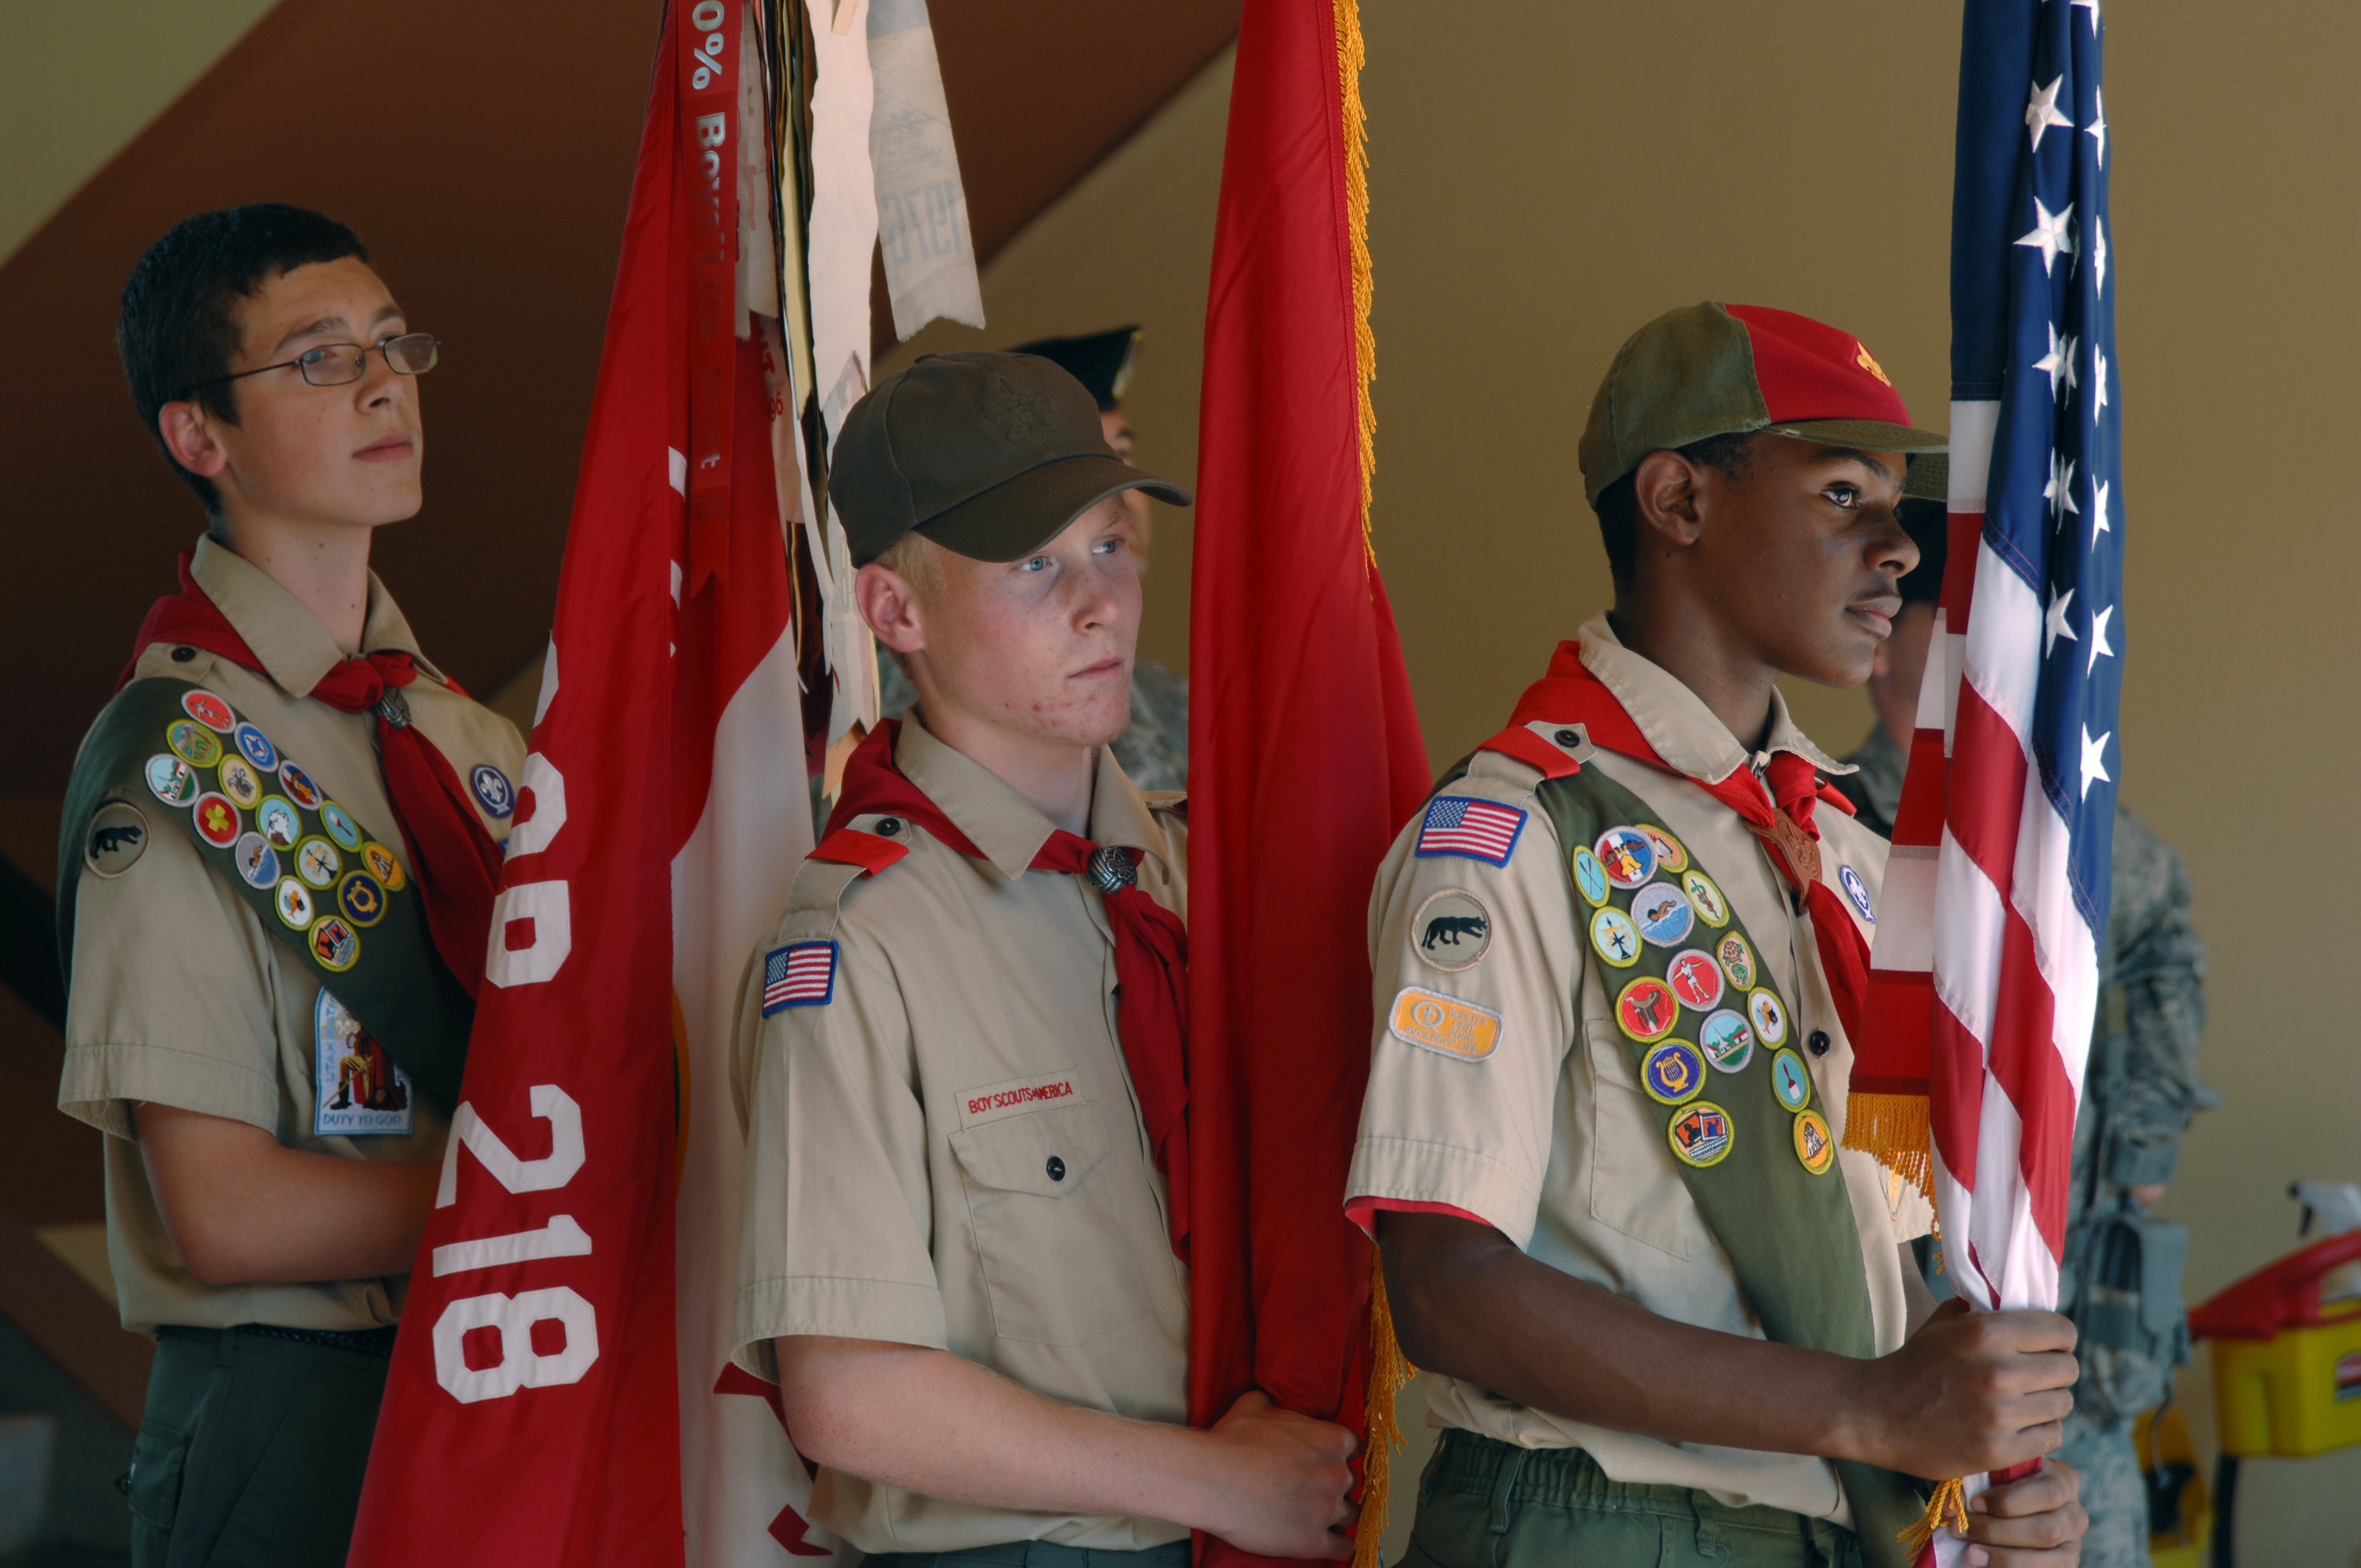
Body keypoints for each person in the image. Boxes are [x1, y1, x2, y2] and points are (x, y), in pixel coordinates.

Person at [1347, 302, 2090, 1568]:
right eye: (1843, 493)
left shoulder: (1847, 851)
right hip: (1588, 1521)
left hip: (1822, 1521)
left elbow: (1869, 1244)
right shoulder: (1517, 832)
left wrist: (1971, 1471)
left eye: (1898, 507)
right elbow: (1447, 1288)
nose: (1899, 549)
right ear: (1679, 500)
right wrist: (1868, 1410)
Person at [730, 350, 1358, 1563]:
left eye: (1109, 545)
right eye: (1033, 565)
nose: (1100, 604)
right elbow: (851, 1394)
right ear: (895, 612)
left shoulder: (1186, 879)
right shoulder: (862, 943)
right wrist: (1215, 1484)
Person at [54, 204, 525, 1566]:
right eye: (318, 360)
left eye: (394, 345)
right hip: (288, 1409)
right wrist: (552, 1182)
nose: (386, 384)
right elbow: (229, 1211)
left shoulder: (468, 739)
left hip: (485, 1364)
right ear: (200, 435)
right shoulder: (172, 759)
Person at [1840, 509, 2214, 1568]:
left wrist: (2139, 1156)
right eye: (1938, 623)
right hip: (1889, 1336)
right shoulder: (1831, 814)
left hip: (2064, 1328)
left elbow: (2162, 932)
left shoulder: (2044, 823)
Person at [874, 327, 1188, 792]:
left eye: (1117, 458)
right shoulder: (893, 712)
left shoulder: (1174, 699)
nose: (1107, 606)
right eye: (1035, 562)